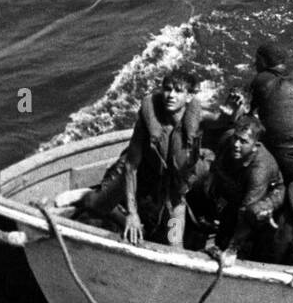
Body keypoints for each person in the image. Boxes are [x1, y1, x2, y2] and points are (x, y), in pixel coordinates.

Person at [75, 69, 206, 248]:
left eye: (178, 91)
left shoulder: (195, 121)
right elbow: (130, 167)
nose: (171, 95)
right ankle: (84, 195)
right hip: (138, 176)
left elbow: (221, 121)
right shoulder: (148, 121)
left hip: (171, 189)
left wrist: (233, 113)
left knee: (175, 244)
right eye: (167, 89)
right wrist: (132, 213)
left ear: (189, 96)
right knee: (96, 205)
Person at [189, 116, 285, 259]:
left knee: (252, 212)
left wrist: (232, 248)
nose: (236, 144)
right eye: (236, 138)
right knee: (200, 185)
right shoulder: (228, 138)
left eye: (244, 142)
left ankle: (241, 248)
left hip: (268, 193)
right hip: (236, 180)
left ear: (255, 145)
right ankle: (201, 233)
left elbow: (245, 210)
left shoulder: (261, 168)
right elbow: (216, 166)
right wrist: (211, 189)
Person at [248, 40, 293, 183]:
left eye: (257, 60)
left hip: (281, 154)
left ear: (263, 61)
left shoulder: (260, 81)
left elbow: (248, 113)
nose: (255, 64)